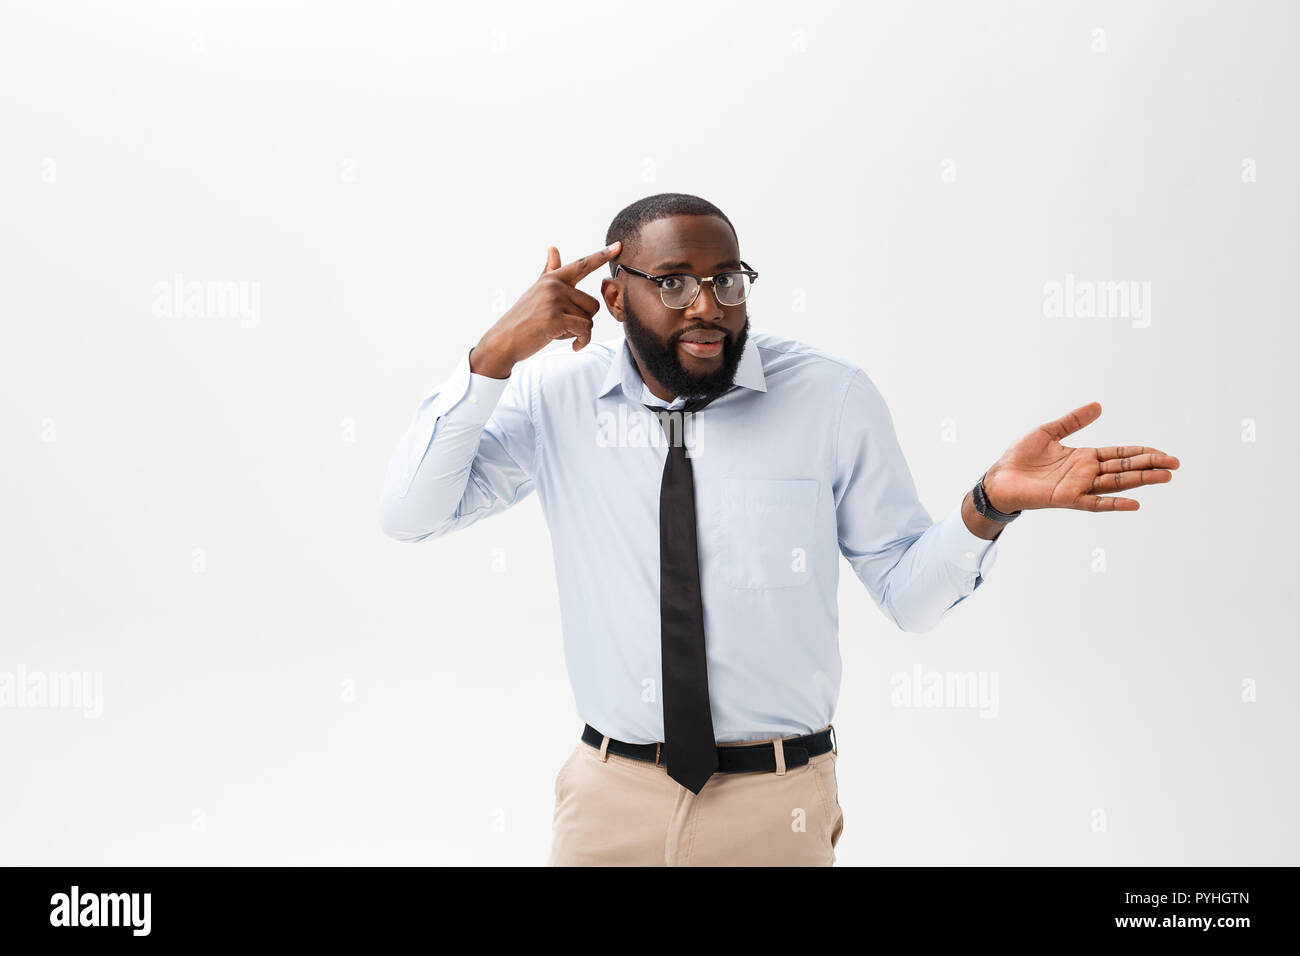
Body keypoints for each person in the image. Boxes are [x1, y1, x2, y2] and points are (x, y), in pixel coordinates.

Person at [378, 193, 1181, 866]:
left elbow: (909, 598)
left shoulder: (828, 398)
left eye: (727, 279)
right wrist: (490, 358)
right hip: (607, 802)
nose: (707, 306)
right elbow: (412, 515)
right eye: (674, 281)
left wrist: (988, 505)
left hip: (776, 806)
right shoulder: (556, 401)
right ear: (615, 296)